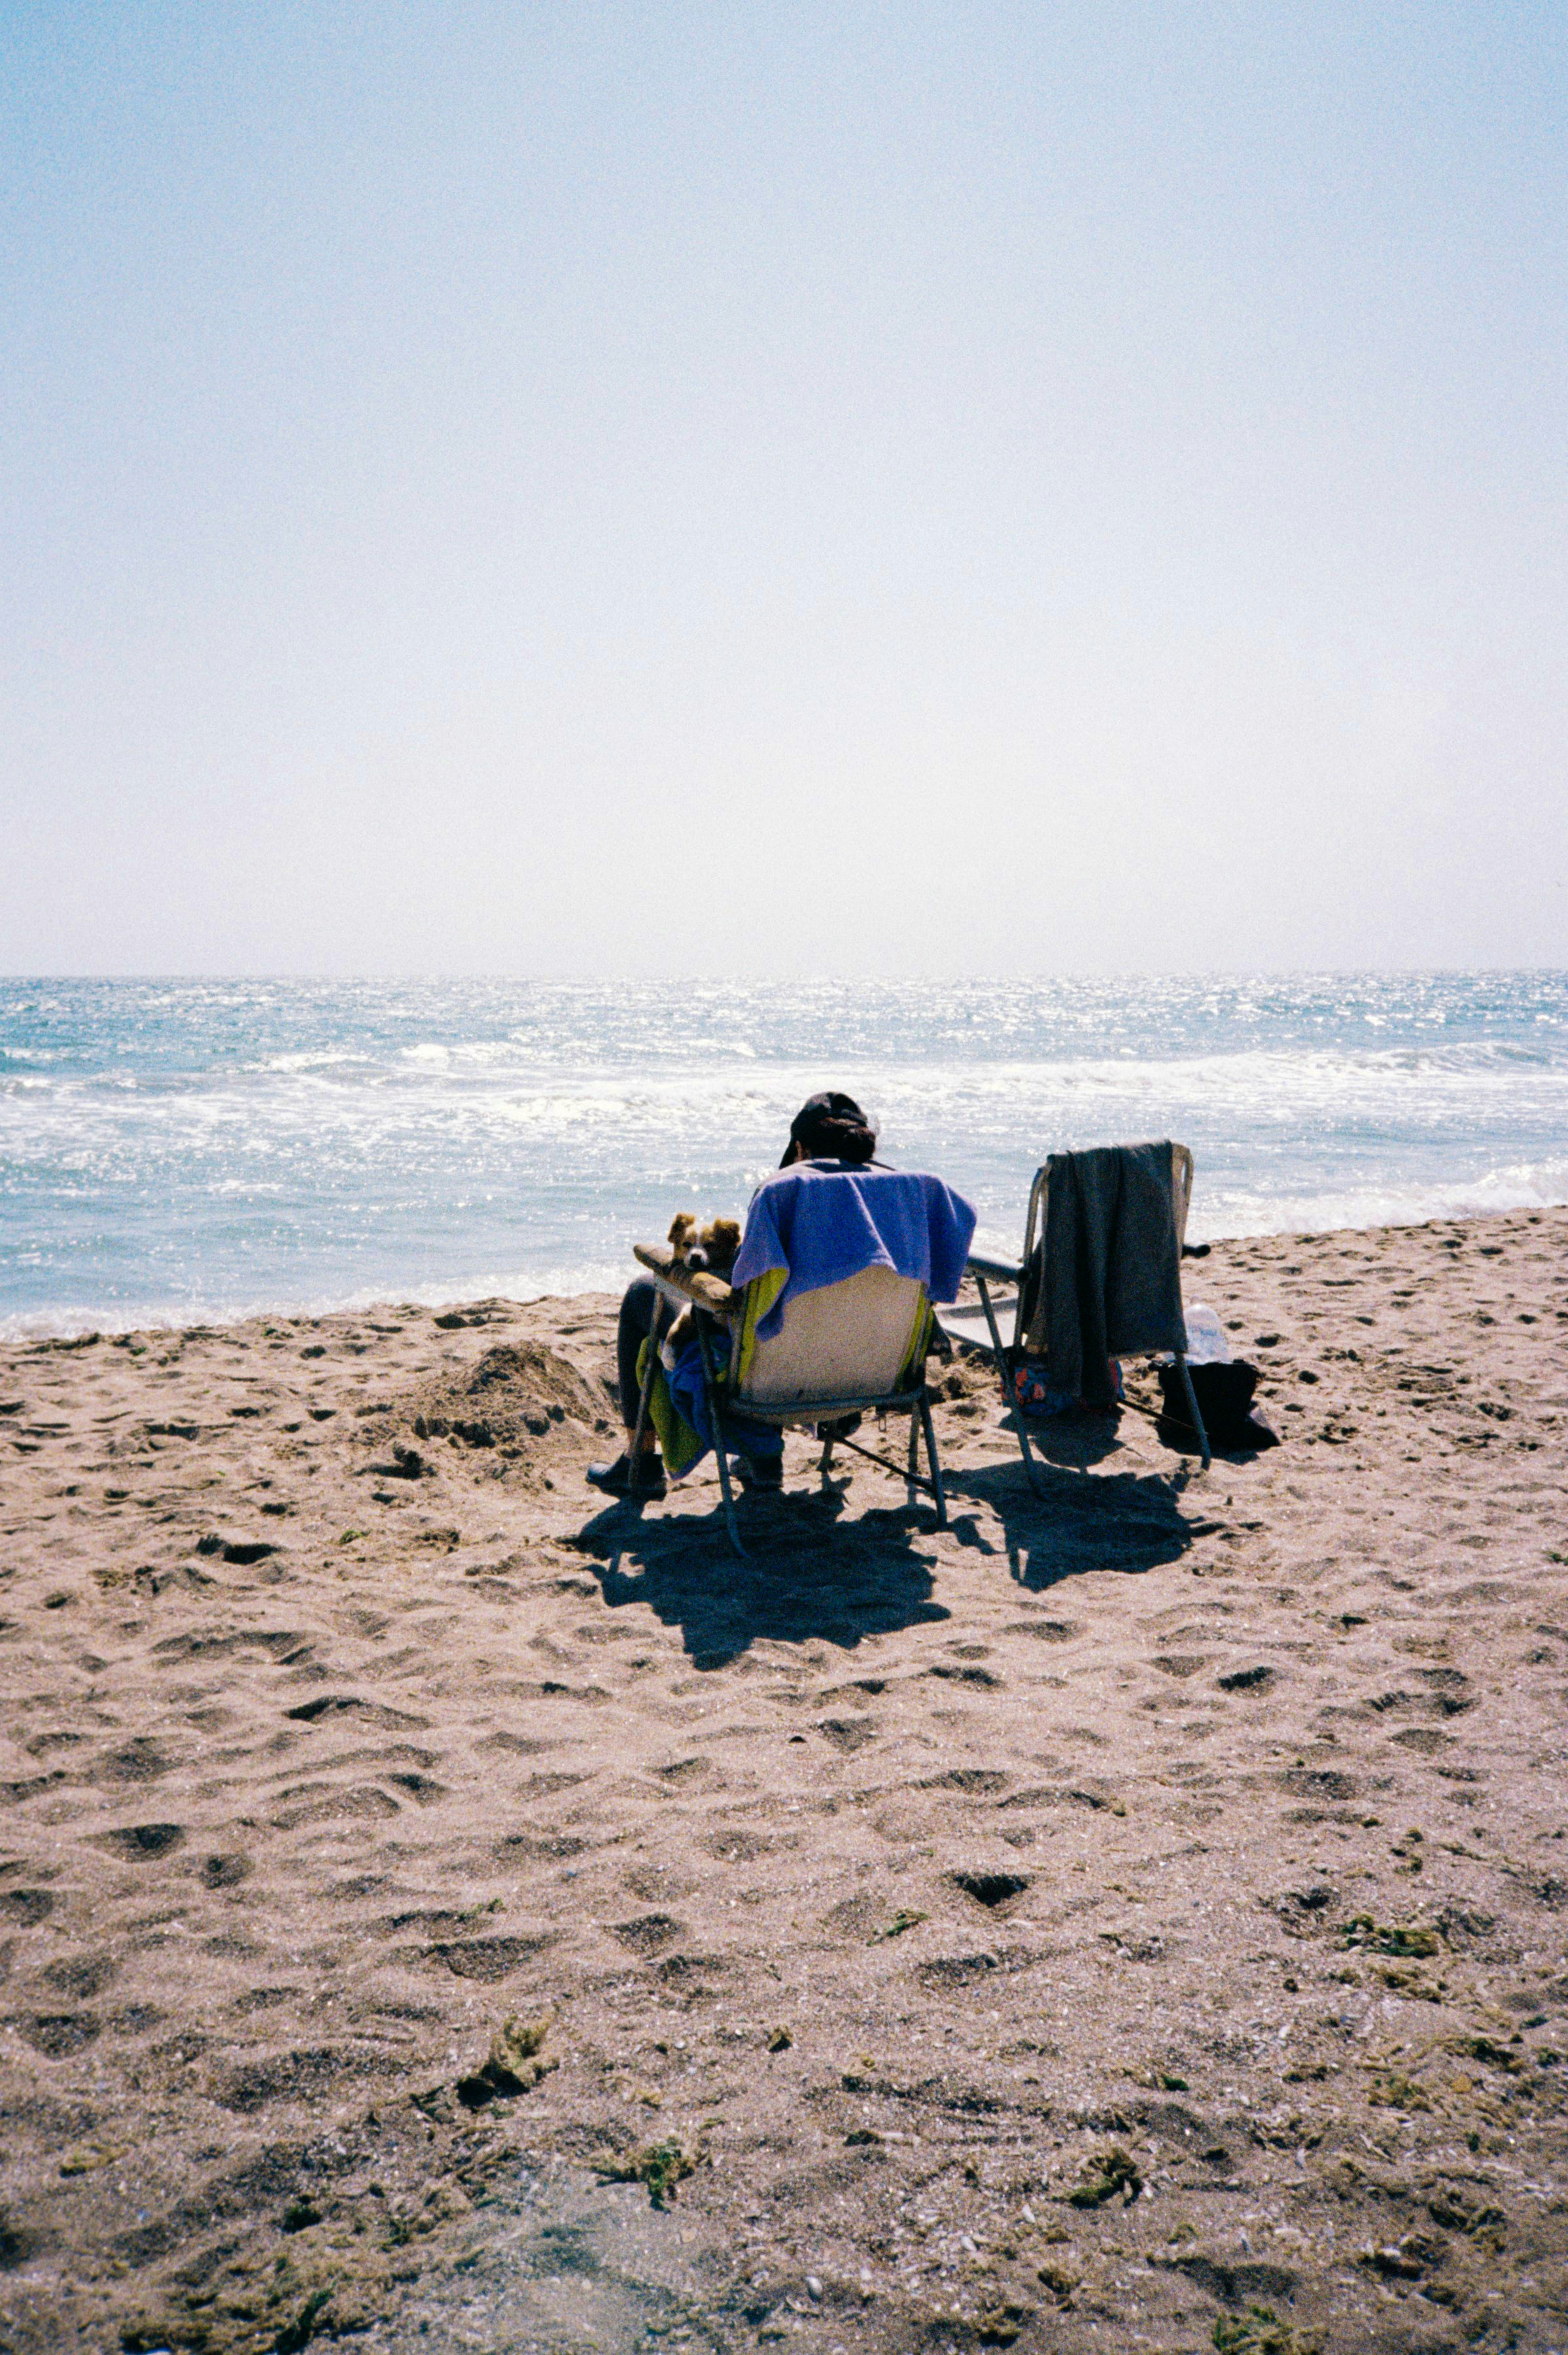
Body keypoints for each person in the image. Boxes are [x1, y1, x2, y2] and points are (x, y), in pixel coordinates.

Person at [585, 1091, 878, 1499]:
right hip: (865, 1373)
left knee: (643, 1294)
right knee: (784, 1313)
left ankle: (640, 1464)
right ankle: (763, 1463)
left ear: (800, 1148)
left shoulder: (782, 1196)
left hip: (775, 1374)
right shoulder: (901, 1202)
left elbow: (748, 1291)